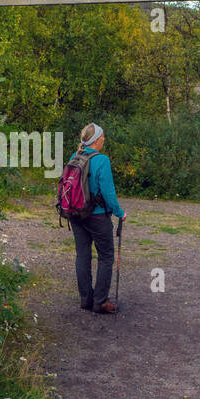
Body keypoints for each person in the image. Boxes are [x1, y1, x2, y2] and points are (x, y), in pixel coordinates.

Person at [72, 122, 126, 314]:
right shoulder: (101, 160)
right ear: (96, 140)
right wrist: (120, 212)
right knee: (105, 256)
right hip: (96, 216)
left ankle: (86, 299)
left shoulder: (75, 156)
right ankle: (100, 301)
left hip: (76, 214)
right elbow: (108, 192)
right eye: (102, 136)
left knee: (83, 255)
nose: (104, 139)